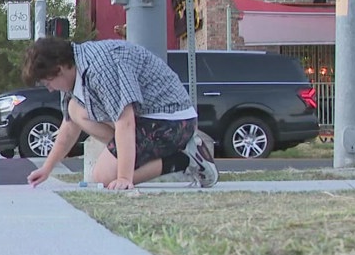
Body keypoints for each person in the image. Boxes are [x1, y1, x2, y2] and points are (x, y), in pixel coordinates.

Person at [23, 36, 218, 190]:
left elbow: (125, 121)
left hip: (172, 120)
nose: (49, 89)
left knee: (104, 178)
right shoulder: (76, 73)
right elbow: (69, 126)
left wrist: (124, 178)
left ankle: (185, 160)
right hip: (149, 119)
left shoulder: (100, 68)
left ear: (60, 69)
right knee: (75, 110)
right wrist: (47, 168)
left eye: (48, 83)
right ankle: (133, 158)